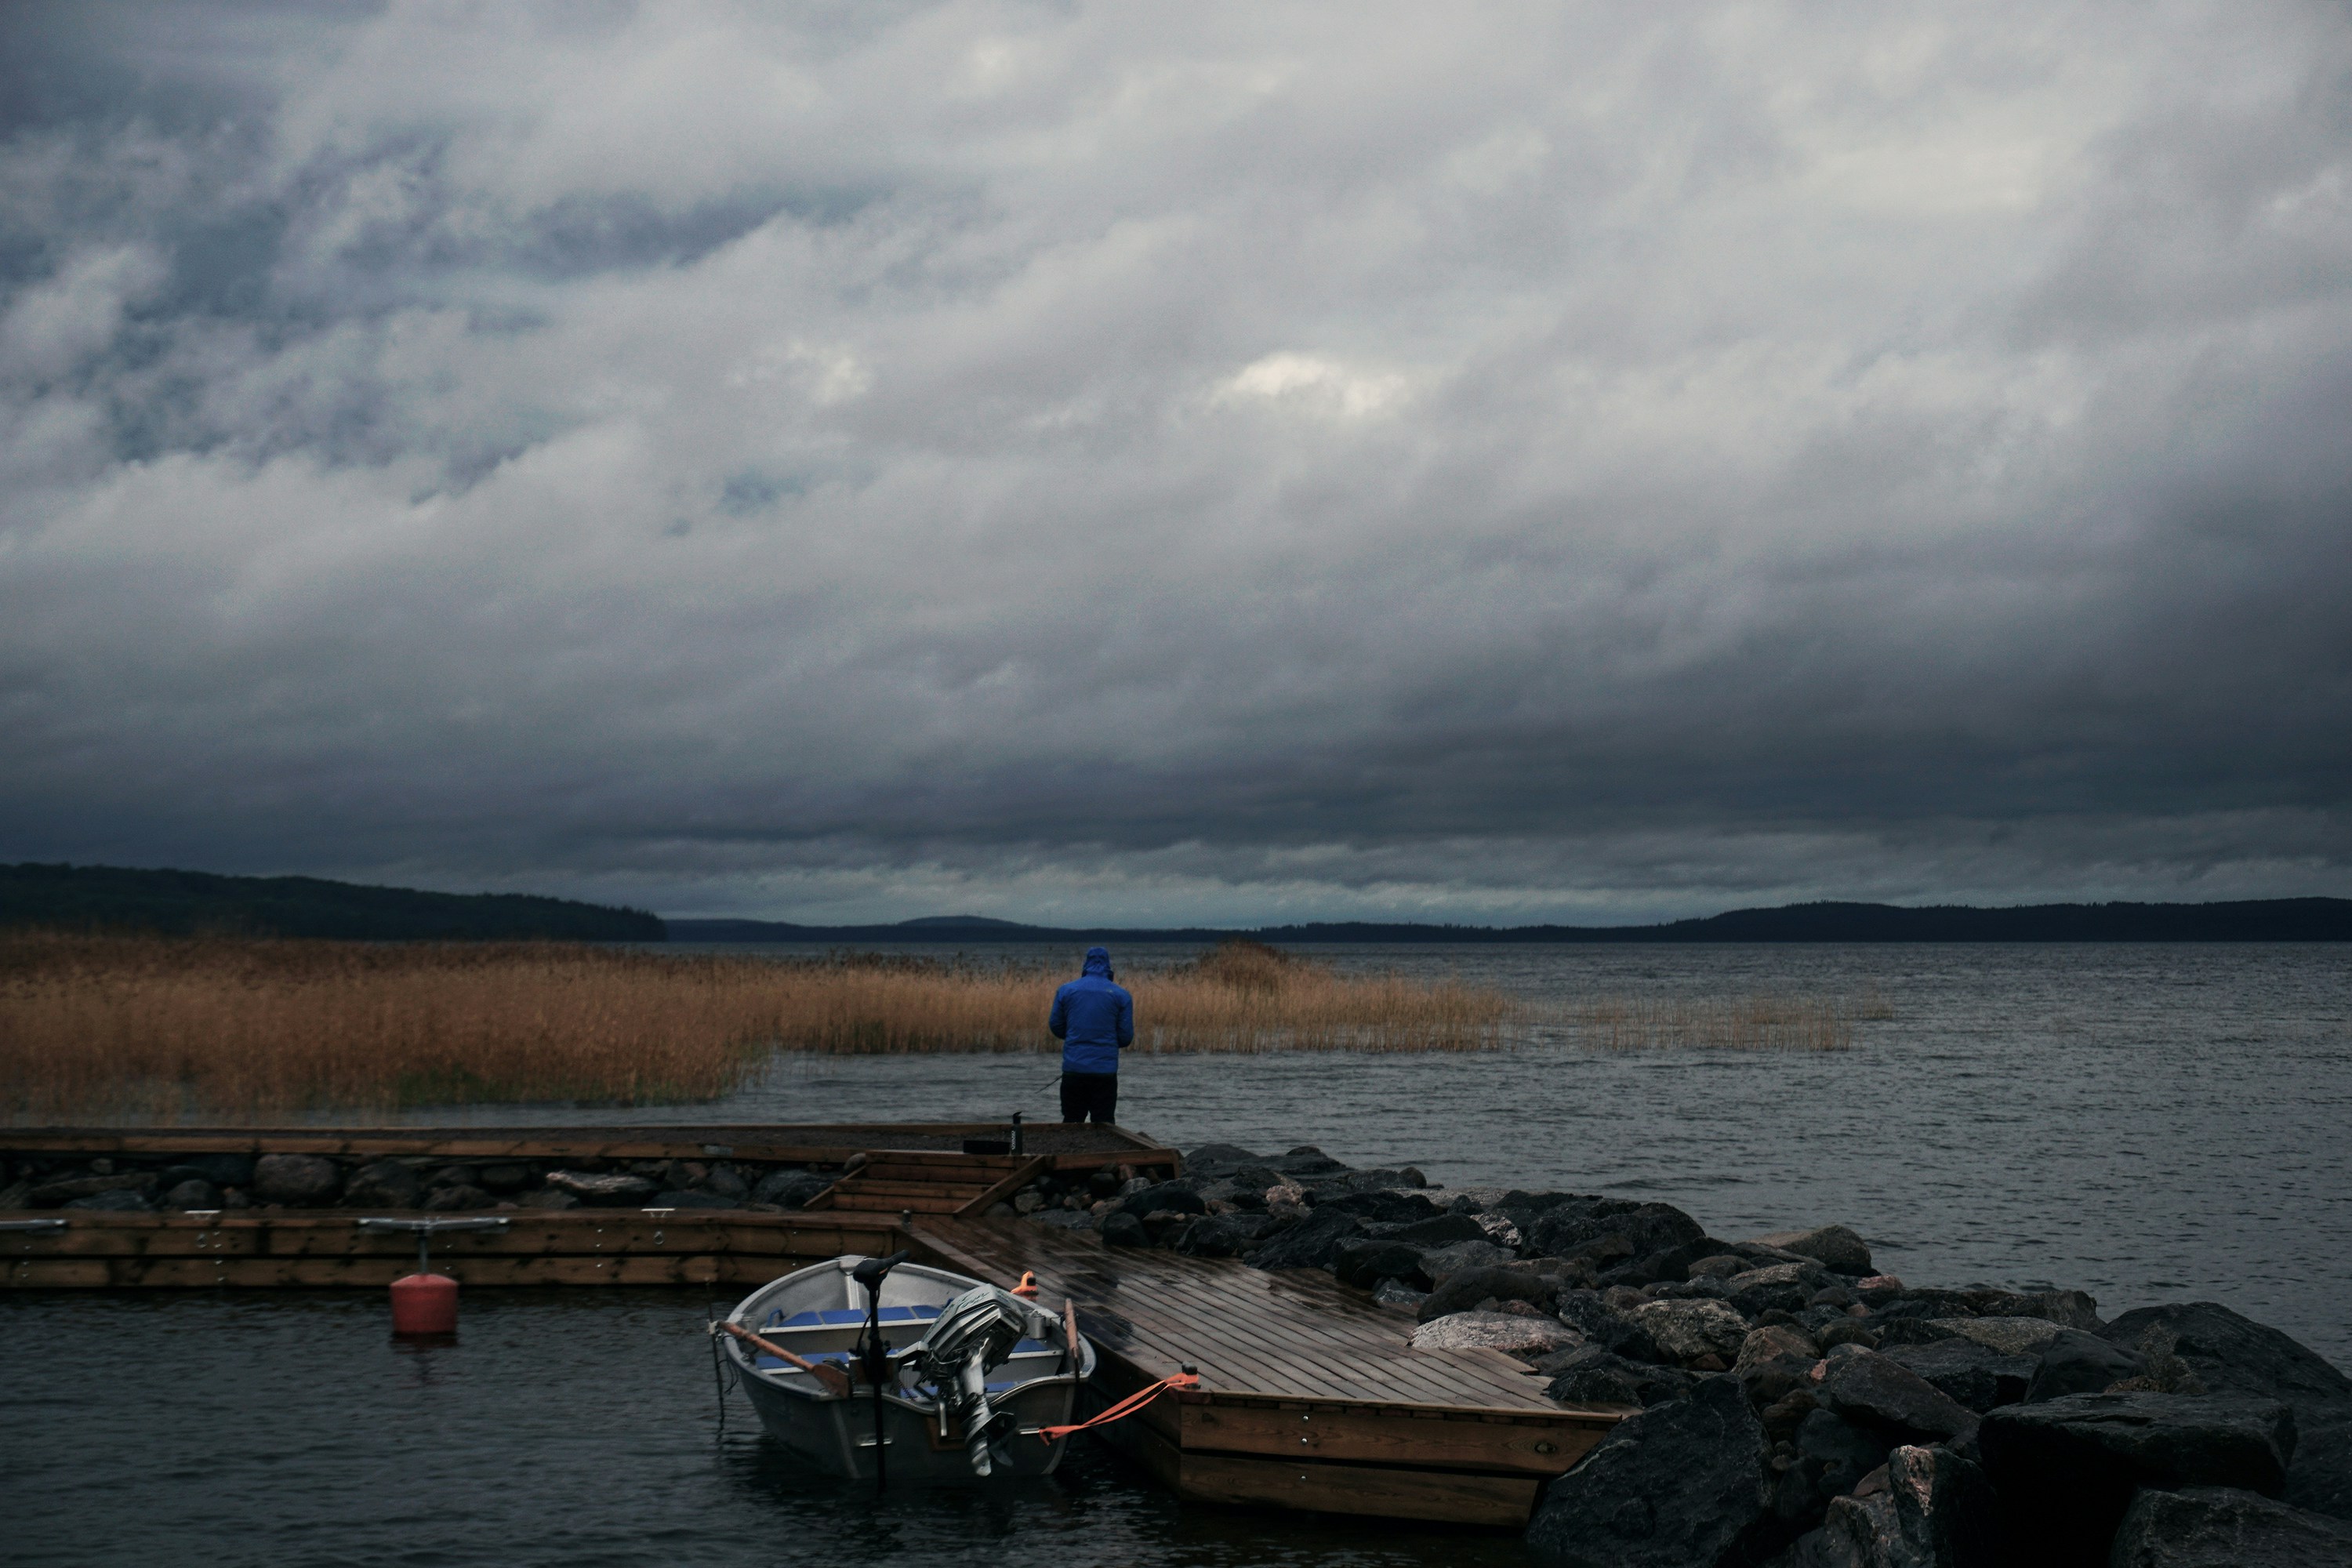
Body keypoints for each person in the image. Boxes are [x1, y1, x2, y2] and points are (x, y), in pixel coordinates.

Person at [1048, 946, 1134, 1123]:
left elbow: (1055, 1025)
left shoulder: (1066, 990)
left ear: (1086, 964)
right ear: (1108, 965)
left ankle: (1071, 1151)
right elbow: (1126, 1037)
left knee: (1072, 1121)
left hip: (1074, 1069)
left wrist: (1075, 1036)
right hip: (1105, 1071)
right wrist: (1107, 1041)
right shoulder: (1121, 995)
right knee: (1104, 1124)